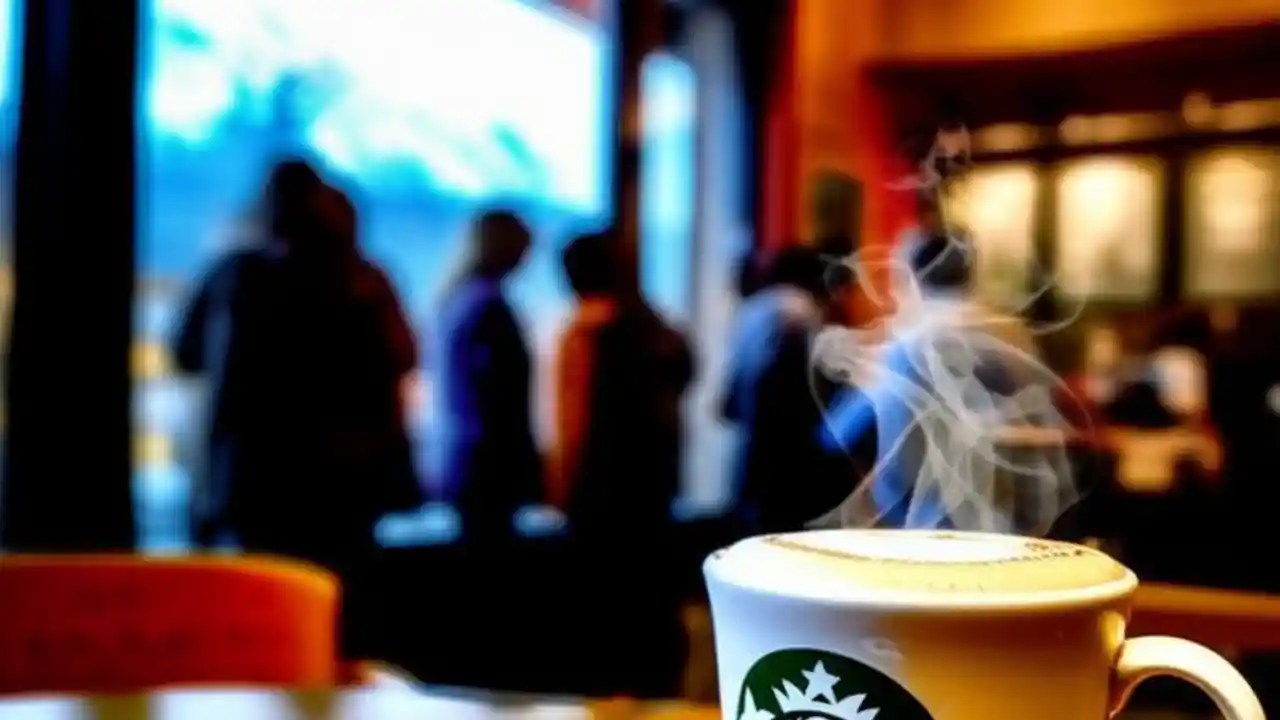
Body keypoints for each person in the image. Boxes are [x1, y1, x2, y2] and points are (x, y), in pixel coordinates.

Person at [174, 160, 421, 654]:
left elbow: (185, 352)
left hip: (251, 479)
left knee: (255, 623)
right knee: (336, 622)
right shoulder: (361, 280)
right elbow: (403, 359)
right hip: (344, 482)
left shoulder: (234, 273)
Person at [822, 231, 1062, 531]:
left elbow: (839, 434)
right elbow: (1044, 425)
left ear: (910, 277)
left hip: (922, 527)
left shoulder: (906, 339)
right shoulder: (1013, 334)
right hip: (1011, 526)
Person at [551, 230, 694, 535]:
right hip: (651, 480)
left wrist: (562, 488)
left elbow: (576, 422)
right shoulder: (655, 326)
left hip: (598, 486)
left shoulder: (586, 333)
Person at [721, 245, 850, 534]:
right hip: (784, 438)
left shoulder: (753, 307)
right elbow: (795, 381)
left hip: (752, 429)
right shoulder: (801, 311)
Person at [436, 211, 542, 546]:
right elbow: (500, 398)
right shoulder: (489, 307)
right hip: (489, 463)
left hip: (463, 457)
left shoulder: (456, 299)